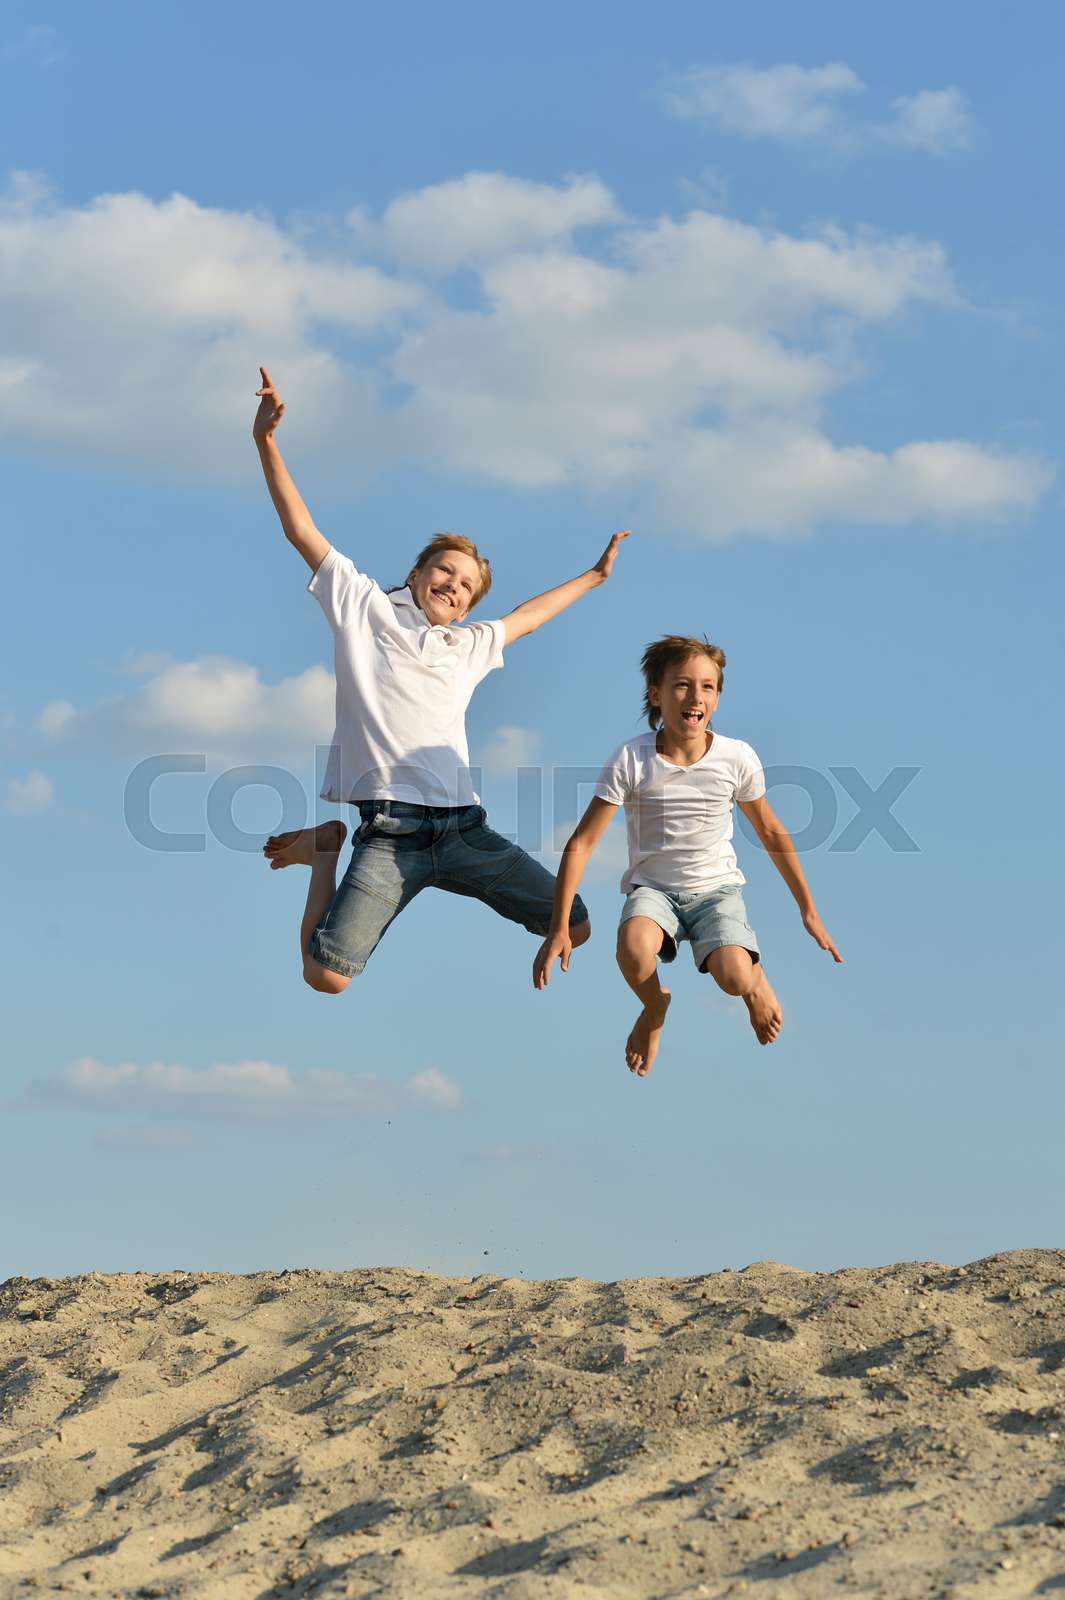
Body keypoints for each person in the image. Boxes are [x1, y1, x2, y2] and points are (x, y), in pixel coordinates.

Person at [252, 366, 629, 992]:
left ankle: (459, 878)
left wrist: (593, 577)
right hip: (388, 835)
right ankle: (323, 850)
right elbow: (301, 531)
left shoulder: (467, 644)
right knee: (325, 976)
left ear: (467, 608)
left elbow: (528, 617)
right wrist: (266, 441)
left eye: (466, 587)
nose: (453, 585)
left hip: (463, 830)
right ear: (416, 573)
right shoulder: (364, 606)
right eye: (444, 571)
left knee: (576, 924)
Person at [533, 634, 842, 1074]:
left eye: (707, 687)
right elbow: (582, 842)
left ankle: (755, 982)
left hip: (716, 892)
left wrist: (808, 910)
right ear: (655, 695)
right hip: (654, 890)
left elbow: (771, 831)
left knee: (734, 976)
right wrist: (559, 927)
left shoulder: (735, 757)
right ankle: (654, 1007)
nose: (696, 696)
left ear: (717, 698)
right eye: (682, 685)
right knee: (633, 948)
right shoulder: (632, 759)